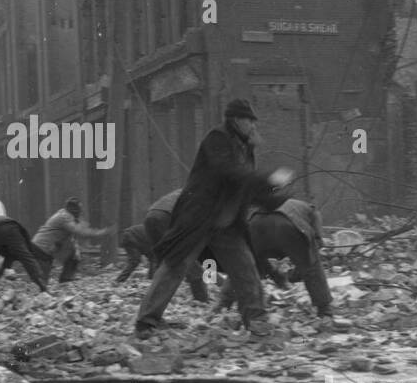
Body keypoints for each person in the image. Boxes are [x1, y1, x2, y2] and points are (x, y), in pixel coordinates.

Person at [135, 98, 292, 339]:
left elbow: (247, 187)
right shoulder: (217, 139)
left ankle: (256, 319)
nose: (253, 127)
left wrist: (276, 197)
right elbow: (230, 173)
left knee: (245, 267)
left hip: (227, 223)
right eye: (250, 122)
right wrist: (269, 178)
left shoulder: (246, 149)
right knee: (176, 266)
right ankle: (147, 321)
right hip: (199, 218)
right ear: (237, 120)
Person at [217, 196, 333, 319]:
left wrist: (277, 277)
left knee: (245, 265)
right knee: (312, 266)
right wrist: (319, 238)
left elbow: (260, 260)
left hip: (256, 224)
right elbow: (315, 220)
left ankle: (224, 303)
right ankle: (324, 309)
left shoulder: (286, 203)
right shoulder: (311, 209)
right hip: (286, 225)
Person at [142, 189, 209, 302]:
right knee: (188, 261)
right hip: (166, 217)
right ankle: (201, 299)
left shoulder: (183, 191)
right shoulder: (202, 194)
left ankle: (152, 299)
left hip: (150, 217)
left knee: (162, 260)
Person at [32, 198, 109, 285]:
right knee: (42, 277)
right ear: (74, 209)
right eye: (79, 209)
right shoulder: (64, 217)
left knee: (73, 256)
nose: (80, 212)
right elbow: (80, 231)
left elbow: (75, 234)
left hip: (45, 247)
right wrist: (100, 233)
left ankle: (65, 282)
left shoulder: (65, 215)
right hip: (41, 247)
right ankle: (45, 289)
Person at [0, 215, 50, 292]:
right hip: (12, 227)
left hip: (0, 228)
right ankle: (41, 283)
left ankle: (40, 282)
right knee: (20, 255)